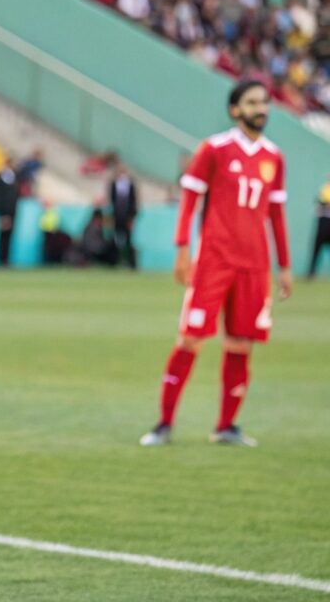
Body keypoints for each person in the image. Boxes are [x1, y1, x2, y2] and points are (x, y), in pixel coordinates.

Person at [140, 80, 292, 448]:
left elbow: (275, 215)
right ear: (234, 110)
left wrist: (283, 265)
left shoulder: (275, 157)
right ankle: (164, 424)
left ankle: (226, 426)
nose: (262, 109)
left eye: (265, 102)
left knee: (241, 344)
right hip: (214, 260)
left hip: (254, 265)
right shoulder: (214, 149)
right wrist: (182, 248)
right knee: (190, 339)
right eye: (253, 102)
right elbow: (190, 199)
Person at [109, 163, 138, 269]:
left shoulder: (130, 185)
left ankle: (131, 263)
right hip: (117, 216)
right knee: (115, 239)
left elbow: (134, 202)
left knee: (129, 240)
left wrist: (131, 217)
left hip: (127, 217)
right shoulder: (113, 184)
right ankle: (114, 261)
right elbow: (112, 201)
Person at [0, 156, 18, 266]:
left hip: (12, 212)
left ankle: (6, 259)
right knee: (2, 236)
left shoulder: (14, 177)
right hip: (4, 213)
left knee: (9, 237)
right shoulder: (0, 178)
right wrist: (2, 213)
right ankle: (0, 259)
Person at [307, 173, 330, 278]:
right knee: (317, 248)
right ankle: (311, 272)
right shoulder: (325, 189)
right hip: (323, 221)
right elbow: (320, 202)